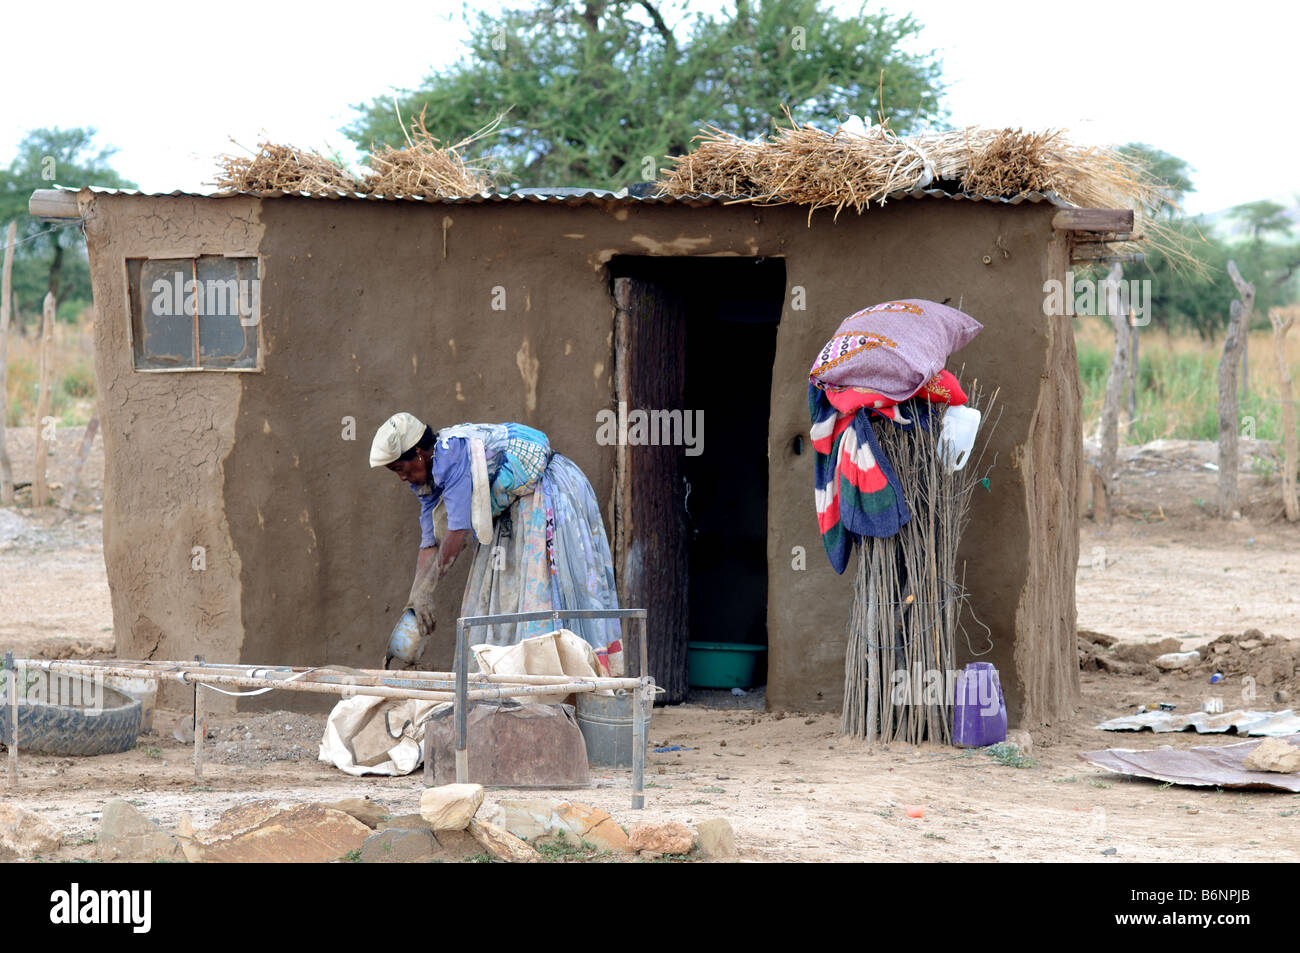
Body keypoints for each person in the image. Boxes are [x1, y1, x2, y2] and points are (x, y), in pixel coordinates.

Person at [369, 413, 624, 672]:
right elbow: (429, 542)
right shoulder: (426, 480)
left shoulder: (452, 456)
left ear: (419, 453)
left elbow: (457, 531)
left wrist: (429, 587)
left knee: (542, 592)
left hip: (544, 495)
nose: (401, 477)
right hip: (509, 511)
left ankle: (563, 679)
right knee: (506, 594)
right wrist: (416, 595)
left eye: (400, 468)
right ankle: (512, 684)